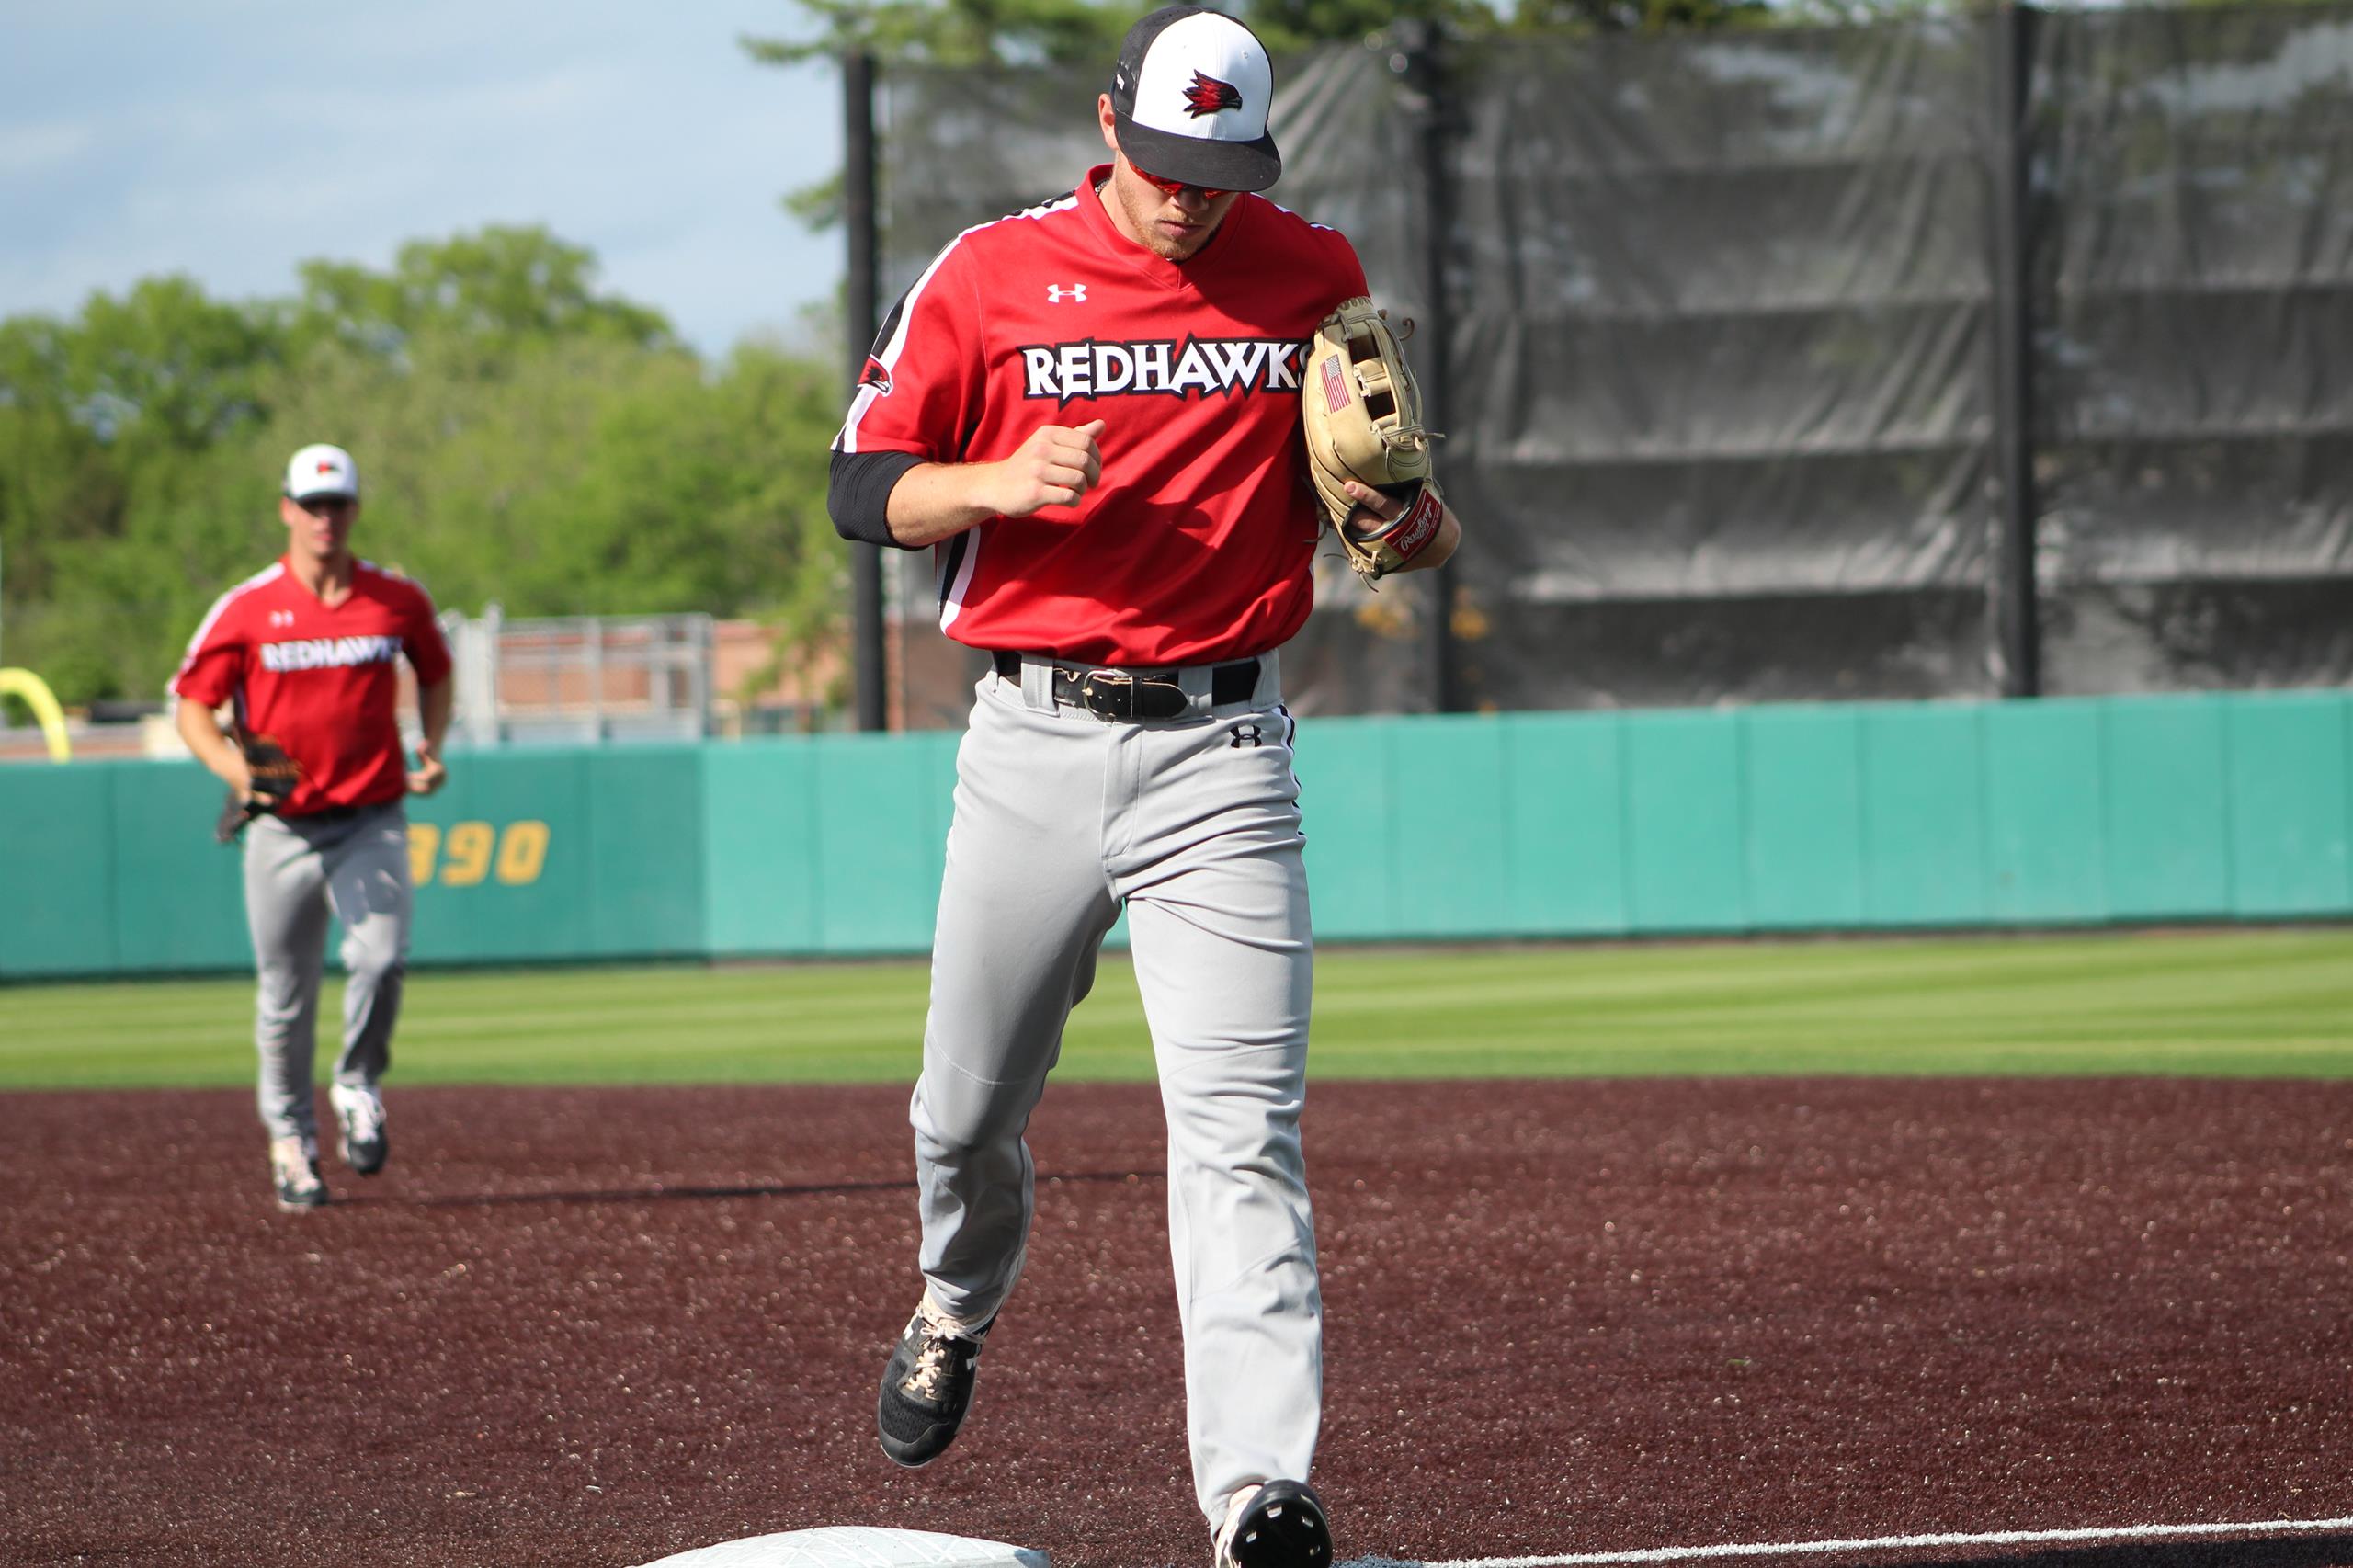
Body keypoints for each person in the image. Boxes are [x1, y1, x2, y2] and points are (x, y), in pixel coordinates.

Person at [826, 8, 1461, 1566]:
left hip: (1225, 751)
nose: (1189, 197)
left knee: (1240, 1133)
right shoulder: (987, 273)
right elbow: (859, 487)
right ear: (1111, 125)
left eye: (1221, 170)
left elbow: (1401, 515)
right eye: (1168, 163)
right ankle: (955, 1301)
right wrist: (990, 481)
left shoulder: (1310, 271)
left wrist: (1403, 528)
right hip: (1033, 739)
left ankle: (1260, 1494)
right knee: (962, 1113)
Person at [171, 443, 453, 1210]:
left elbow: (435, 668)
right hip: (282, 827)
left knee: (382, 957)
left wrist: (431, 743)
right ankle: (291, 1142)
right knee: (285, 994)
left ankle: (357, 1086)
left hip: (370, 815)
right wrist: (238, 775)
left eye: (337, 505)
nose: (325, 518)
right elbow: (192, 704)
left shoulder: (393, 599)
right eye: (311, 504)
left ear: (354, 509)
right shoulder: (248, 606)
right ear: (287, 509)